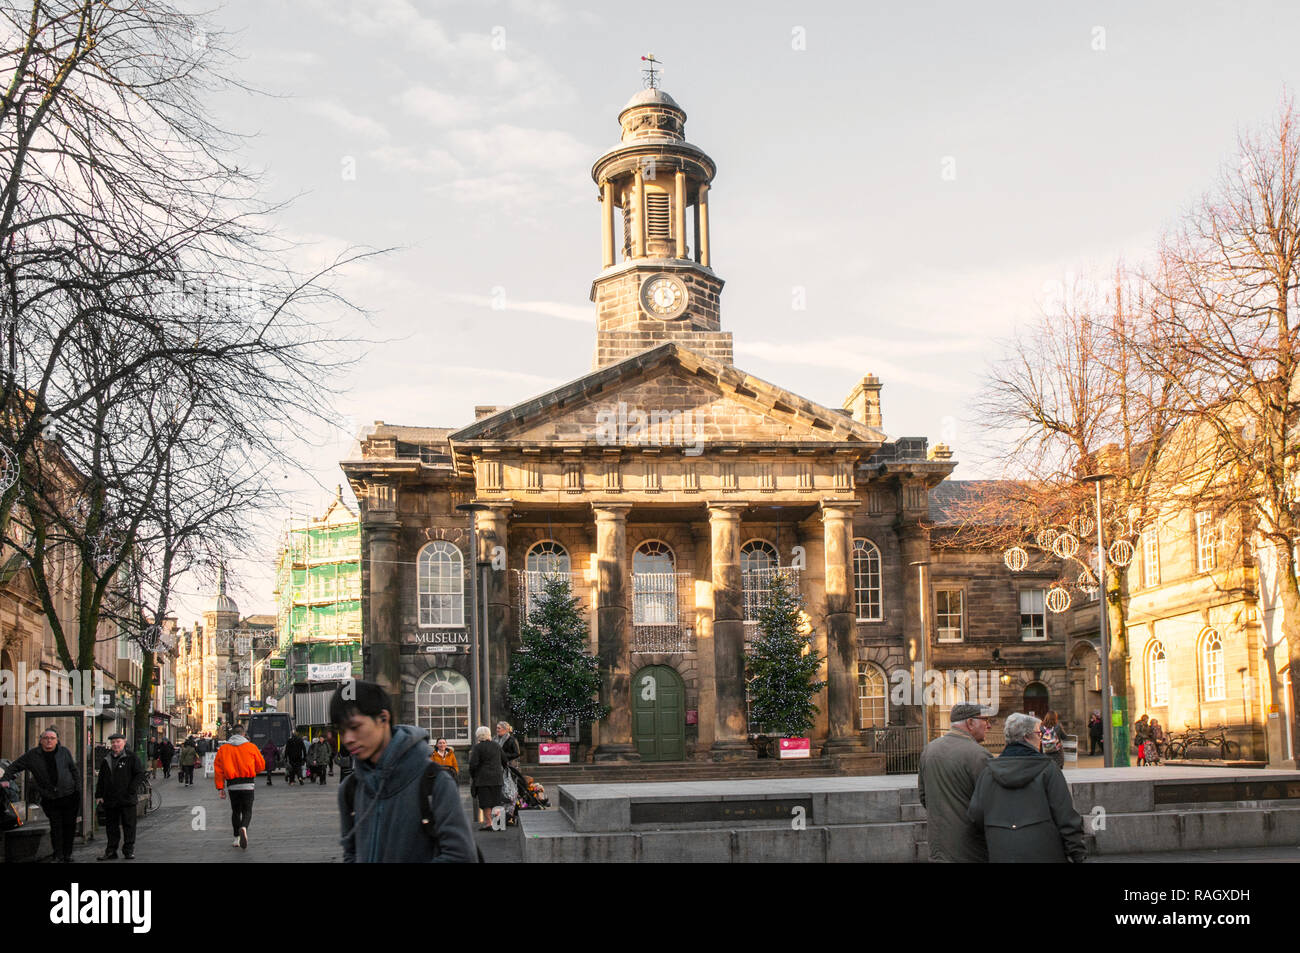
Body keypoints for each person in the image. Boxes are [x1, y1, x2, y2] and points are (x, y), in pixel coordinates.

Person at [330, 680, 476, 863]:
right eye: (341, 731)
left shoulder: (434, 781)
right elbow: (350, 854)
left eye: (355, 727)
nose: (348, 739)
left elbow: (461, 856)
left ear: (383, 718)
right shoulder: (350, 789)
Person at [967, 712, 1087, 863]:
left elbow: (975, 814)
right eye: (1039, 733)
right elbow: (1066, 816)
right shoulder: (1048, 769)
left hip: (1002, 852)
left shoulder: (988, 772)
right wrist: (1077, 853)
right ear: (1026, 737)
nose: (1041, 738)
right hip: (1045, 852)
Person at [916, 703, 994, 862]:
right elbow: (990, 805)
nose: (989, 726)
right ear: (971, 723)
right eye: (985, 720)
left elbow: (924, 797)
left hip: (938, 848)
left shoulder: (929, 750)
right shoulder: (980, 755)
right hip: (970, 850)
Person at [0, 726, 81, 863]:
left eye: (52, 738)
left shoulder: (64, 752)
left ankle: (68, 854)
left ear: (57, 740)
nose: (49, 741)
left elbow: (74, 770)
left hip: (69, 795)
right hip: (50, 797)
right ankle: (58, 854)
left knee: (69, 826)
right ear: (41, 741)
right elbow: (14, 766)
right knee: (55, 827)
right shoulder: (32, 755)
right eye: (46, 738)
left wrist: (77, 789)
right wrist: (5, 779)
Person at [212, 723, 265, 850]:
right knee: (247, 810)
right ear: (243, 734)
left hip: (232, 785)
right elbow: (261, 765)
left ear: (232, 734)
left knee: (236, 811)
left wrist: (220, 788)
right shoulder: (251, 747)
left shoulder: (224, 749)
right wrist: (253, 770)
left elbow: (218, 769)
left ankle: (236, 838)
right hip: (248, 783)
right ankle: (244, 827)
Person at [94, 732, 145, 860]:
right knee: (111, 826)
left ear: (124, 742)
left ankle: (128, 850)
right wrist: (99, 794)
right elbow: (102, 778)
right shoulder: (107, 759)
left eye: (118, 742)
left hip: (127, 798)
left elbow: (139, 774)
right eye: (113, 742)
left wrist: (131, 789)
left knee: (129, 825)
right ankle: (111, 850)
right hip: (110, 799)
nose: (115, 744)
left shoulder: (131, 757)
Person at [470, 726, 509, 831]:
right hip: (496, 777)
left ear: (478, 735)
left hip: (483, 779)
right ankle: (498, 824)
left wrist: (474, 776)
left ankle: (489, 823)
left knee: (485, 802)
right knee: (496, 801)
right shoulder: (496, 746)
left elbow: (473, 764)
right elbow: (505, 760)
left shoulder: (477, 748)